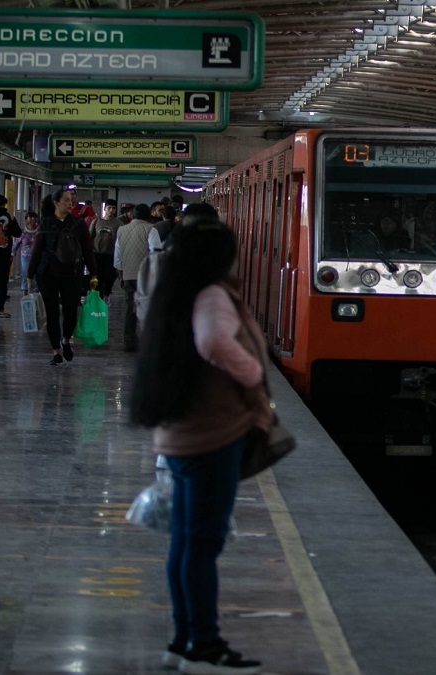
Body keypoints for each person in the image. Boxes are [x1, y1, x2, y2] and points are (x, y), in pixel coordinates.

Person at [128, 220, 269, 674]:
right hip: (212, 437)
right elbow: (213, 341)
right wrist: (253, 377)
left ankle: (184, 634)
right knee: (201, 544)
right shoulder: (211, 296)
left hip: (181, 436)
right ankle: (204, 641)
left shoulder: (176, 292)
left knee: (185, 542)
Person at [28, 188, 98, 366]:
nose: (70, 203)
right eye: (66, 200)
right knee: (51, 313)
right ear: (56, 202)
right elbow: (37, 250)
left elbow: (88, 250)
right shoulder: (46, 223)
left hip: (71, 273)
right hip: (47, 274)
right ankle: (56, 351)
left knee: (70, 312)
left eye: (72, 199)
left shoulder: (78, 224)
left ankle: (66, 340)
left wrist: (93, 274)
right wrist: (29, 275)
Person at [114, 204, 157, 352]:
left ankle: (129, 340)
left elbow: (117, 256)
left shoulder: (121, 230)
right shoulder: (151, 229)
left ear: (132, 215)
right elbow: (156, 253)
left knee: (129, 307)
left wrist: (120, 275)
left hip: (128, 274)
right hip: (146, 276)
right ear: (148, 216)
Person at [91, 199, 122, 301]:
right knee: (98, 276)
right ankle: (99, 298)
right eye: (109, 208)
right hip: (97, 254)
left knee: (109, 276)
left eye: (113, 208)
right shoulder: (96, 222)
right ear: (105, 208)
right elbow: (90, 236)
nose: (111, 210)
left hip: (111, 254)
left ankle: (107, 292)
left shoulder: (119, 224)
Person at [15, 211, 39, 295]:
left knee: (37, 275)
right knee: (25, 274)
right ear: (26, 219)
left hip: (38, 256)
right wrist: (12, 253)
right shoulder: (23, 231)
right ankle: (25, 294)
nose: (32, 219)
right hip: (25, 256)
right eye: (30, 217)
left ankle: (36, 294)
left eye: (34, 217)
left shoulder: (40, 230)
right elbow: (16, 243)